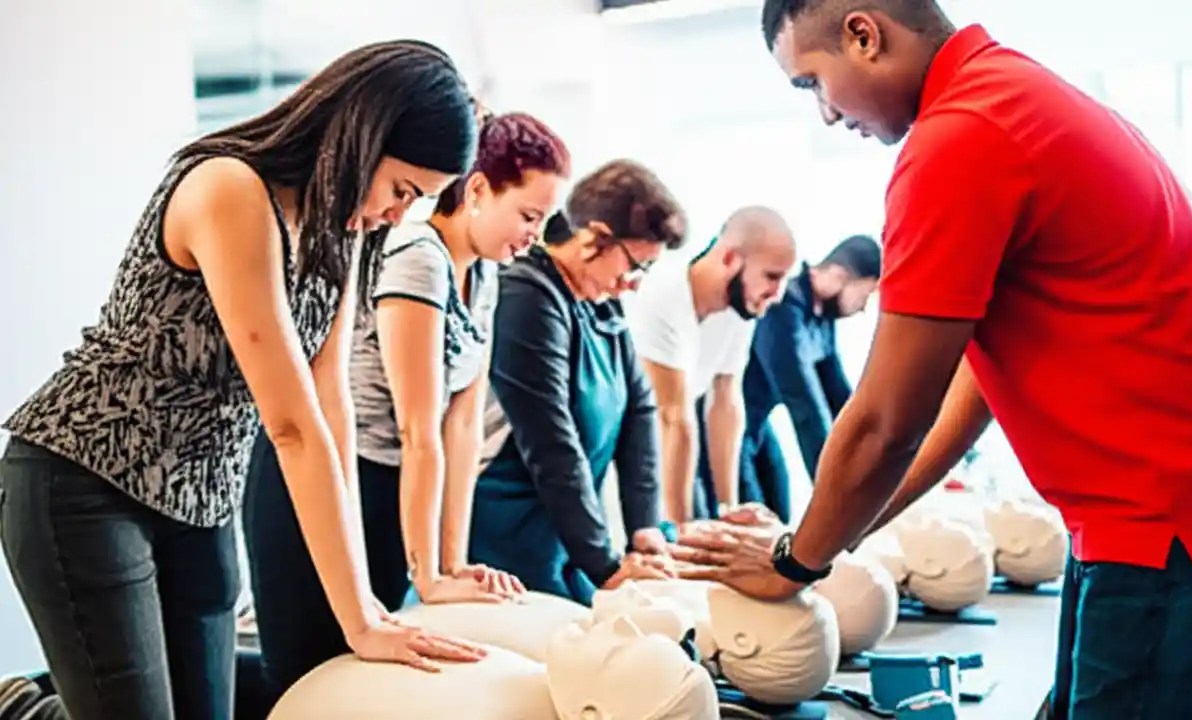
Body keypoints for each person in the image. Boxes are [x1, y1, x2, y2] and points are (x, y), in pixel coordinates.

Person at [674, 2, 1192, 718]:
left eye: (811, 83)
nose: (827, 116)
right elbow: (958, 395)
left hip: (1179, 520)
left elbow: (883, 425)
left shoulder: (963, 138)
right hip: (1167, 510)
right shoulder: (1006, 98)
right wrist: (824, 542)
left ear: (862, 35)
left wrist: (795, 563)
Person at [0, 40, 485, 720]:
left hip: (199, 500)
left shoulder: (337, 231)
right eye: (403, 190)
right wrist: (360, 625)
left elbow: (329, 405)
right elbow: (288, 426)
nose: (399, 214)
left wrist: (367, 602)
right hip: (84, 484)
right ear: (361, 136)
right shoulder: (229, 188)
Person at [241, 111, 573, 701]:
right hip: (331, 477)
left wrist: (453, 562)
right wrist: (430, 577)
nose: (535, 235)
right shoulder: (418, 254)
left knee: (362, 677)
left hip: (390, 487)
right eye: (528, 215)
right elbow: (418, 426)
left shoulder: (488, 273)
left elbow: (462, 427)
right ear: (476, 191)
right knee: (303, 676)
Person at [469, 160, 688, 605]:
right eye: (634, 266)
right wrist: (605, 566)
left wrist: (643, 527)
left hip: (566, 539)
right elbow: (553, 443)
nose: (632, 285)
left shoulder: (602, 305)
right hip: (508, 544)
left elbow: (640, 410)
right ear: (594, 238)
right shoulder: (526, 297)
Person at [625, 207, 797, 523]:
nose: (777, 294)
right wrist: (681, 533)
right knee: (682, 534)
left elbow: (726, 403)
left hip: (673, 433)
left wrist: (728, 508)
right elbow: (672, 417)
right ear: (730, 258)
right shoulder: (666, 291)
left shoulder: (740, 306)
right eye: (772, 276)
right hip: (633, 441)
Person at [739, 233, 881, 522]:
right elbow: (804, 403)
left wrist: (875, 459)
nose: (863, 307)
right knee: (758, 525)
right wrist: (839, 497)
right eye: (865, 295)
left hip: (757, 427)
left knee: (780, 512)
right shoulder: (784, 307)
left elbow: (838, 395)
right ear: (839, 276)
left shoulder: (821, 318)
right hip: (730, 429)